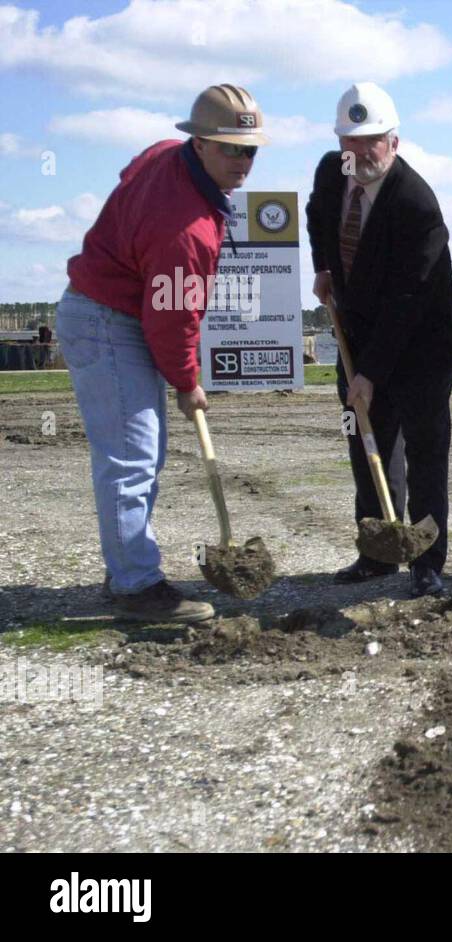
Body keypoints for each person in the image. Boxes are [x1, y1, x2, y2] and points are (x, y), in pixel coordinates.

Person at [57, 84, 267, 622]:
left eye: (250, 150)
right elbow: (173, 320)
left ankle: (127, 566)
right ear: (198, 144)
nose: (243, 161)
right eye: (230, 148)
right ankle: (135, 587)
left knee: (141, 452)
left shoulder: (161, 155)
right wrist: (187, 382)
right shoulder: (188, 231)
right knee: (131, 455)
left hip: (115, 313)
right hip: (108, 320)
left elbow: (130, 175)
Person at [306, 82, 452, 597]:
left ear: (394, 142)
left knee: (424, 446)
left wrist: (370, 374)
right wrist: (324, 267)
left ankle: (426, 561)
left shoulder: (416, 204)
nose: (361, 153)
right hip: (361, 333)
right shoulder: (333, 172)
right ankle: (377, 551)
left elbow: (406, 303)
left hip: (422, 343)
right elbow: (316, 214)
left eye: (372, 141)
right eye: (351, 141)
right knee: (365, 437)